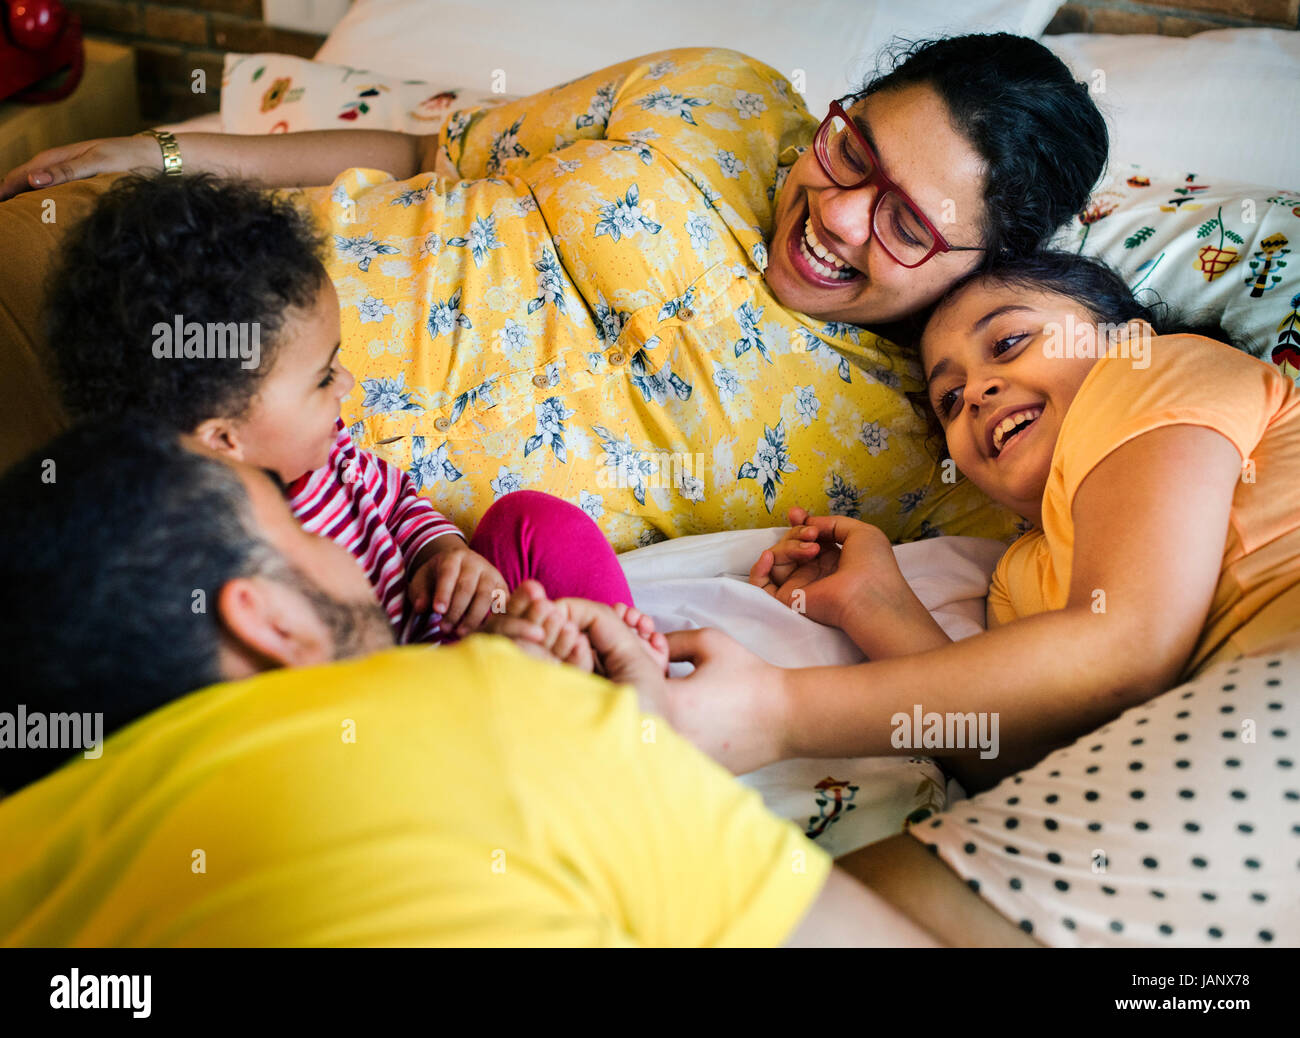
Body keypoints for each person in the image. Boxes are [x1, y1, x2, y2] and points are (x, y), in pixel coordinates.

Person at [0, 37, 1108, 550]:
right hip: (151, 283)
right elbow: (424, 151)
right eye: (851, 148)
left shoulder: (928, 442)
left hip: (276, 529)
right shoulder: (714, 100)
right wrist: (170, 154)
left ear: (985, 264)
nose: (839, 211)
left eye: (907, 224)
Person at [0, 417, 945, 947]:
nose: (335, 546)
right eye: (298, 535)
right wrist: (623, 744)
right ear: (271, 620)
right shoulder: (500, 715)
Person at [659, 251, 1300, 946]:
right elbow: (1018, 764)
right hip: (1196, 822)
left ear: (1125, 334)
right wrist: (879, 605)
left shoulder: (1154, 369)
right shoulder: (1017, 574)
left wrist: (772, 711)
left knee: (804, 919)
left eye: (1009, 343)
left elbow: (1125, 645)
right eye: (950, 401)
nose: (980, 393)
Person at [44, 171, 664, 657]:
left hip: (462, 634)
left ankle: (623, 663)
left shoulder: (325, 451)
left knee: (532, 523)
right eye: (321, 378)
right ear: (223, 439)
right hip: (405, 705)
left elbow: (393, 500)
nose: (347, 382)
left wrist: (443, 555)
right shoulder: (203, 563)